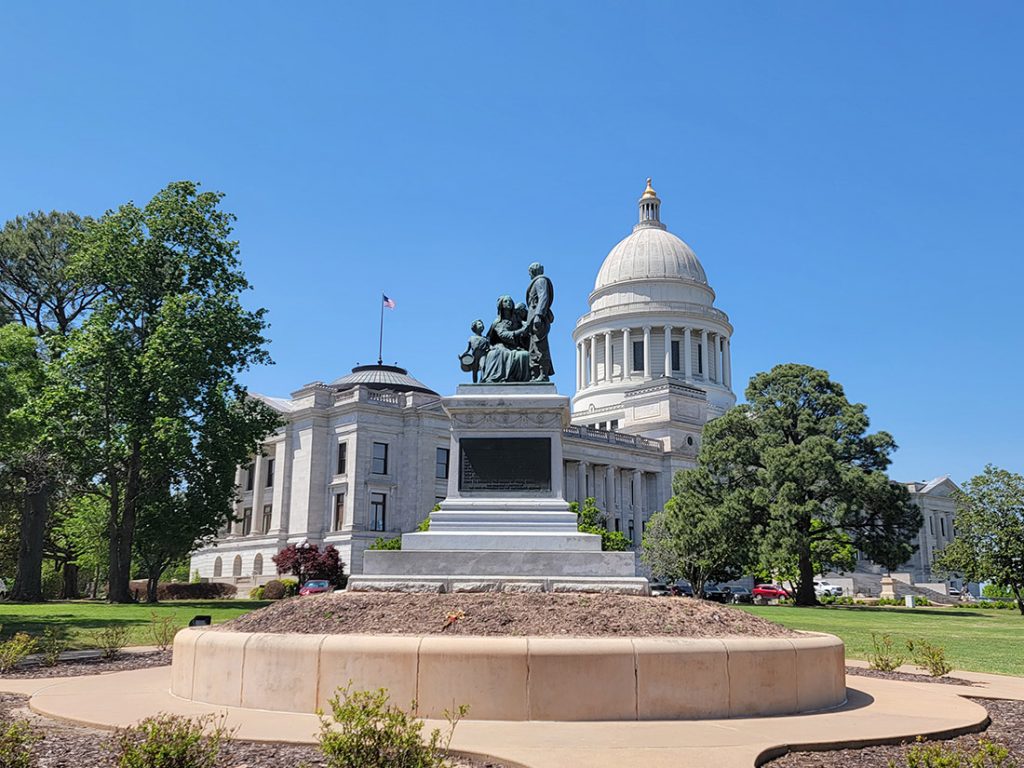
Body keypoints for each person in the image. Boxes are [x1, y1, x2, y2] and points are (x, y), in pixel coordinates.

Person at [480, 295, 531, 382]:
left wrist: (526, 328)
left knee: (525, 355)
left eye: (510, 301)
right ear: (501, 305)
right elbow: (504, 335)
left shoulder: (516, 320)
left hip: (515, 347)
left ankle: (519, 380)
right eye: (506, 301)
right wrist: (522, 330)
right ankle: (498, 377)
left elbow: (524, 329)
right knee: (501, 354)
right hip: (500, 346)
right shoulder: (497, 322)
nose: (509, 303)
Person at [525, 262, 555, 381]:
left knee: (540, 346)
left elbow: (543, 297)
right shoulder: (536, 282)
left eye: (529, 271)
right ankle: (536, 374)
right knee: (533, 348)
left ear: (533, 271)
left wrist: (538, 315)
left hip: (538, 319)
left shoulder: (540, 281)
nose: (529, 274)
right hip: (533, 319)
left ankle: (543, 374)